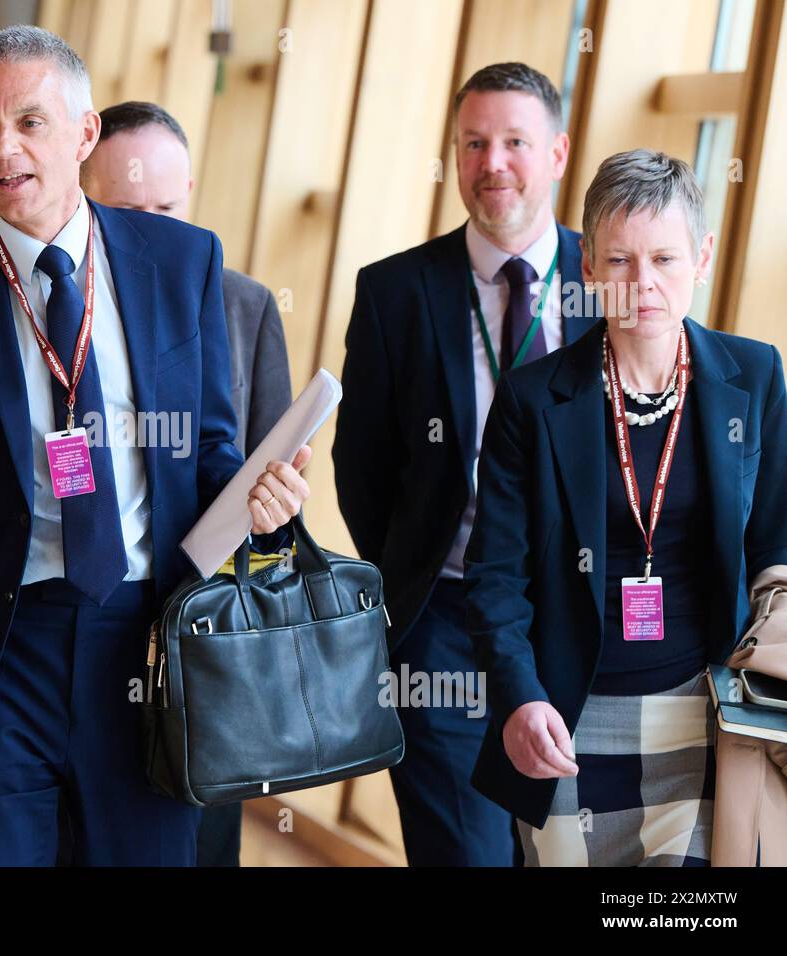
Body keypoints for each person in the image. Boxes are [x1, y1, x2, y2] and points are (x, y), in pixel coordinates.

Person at [0, 25, 311, 867]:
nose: (4, 148)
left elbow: (206, 452)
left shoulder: (182, 263)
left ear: (85, 134)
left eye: (29, 121)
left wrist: (261, 505)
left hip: (146, 643)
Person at [465, 149, 787, 866]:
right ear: (587, 266)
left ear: (702, 258)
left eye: (665, 259)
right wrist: (518, 698)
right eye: (618, 261)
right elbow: (495, 580)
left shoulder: (756, 376)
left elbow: (776, 544)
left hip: (709, 720)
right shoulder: (530, 400)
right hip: (569, 724)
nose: (642, 285)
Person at [332, 62, 595, 866]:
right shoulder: (395, 292)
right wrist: (412, 568)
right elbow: (362, 467)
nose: (493, 164)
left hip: (582, 619)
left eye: (515, 141)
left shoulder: (614, 280)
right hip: (442, 626)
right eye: (474, 144)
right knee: (466, 850)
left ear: (556, 153)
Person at [79, 99, 292, 866]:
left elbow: (265, 493)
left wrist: (275, 512)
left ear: (192, 192)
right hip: (73, 632)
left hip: (201, 651)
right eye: (126, 210)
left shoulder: (245, 306)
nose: (151, 231)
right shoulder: (49, 300)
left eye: (167, 209)